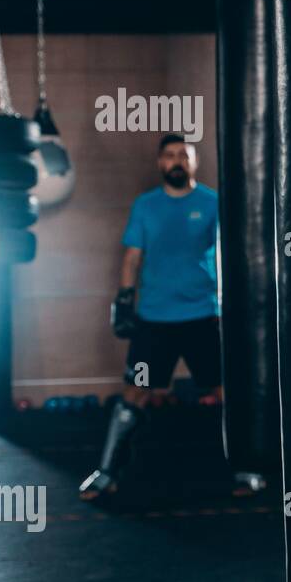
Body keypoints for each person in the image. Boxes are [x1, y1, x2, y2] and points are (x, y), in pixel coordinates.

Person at [80, 134, 224, 501]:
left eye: (183, 155)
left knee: (226, 391)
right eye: (170, 155)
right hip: (154, 320)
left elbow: (228, 255)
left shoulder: (212, 203)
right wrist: (124, 301)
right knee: (135, 390)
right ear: (160, 163)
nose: (177, 161)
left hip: (203, 316)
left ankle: (243, 467)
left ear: (194, 162)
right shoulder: (145, 206)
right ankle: (107, 472)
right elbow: (132, 257)